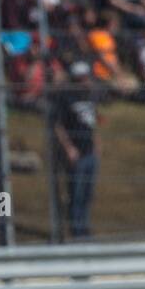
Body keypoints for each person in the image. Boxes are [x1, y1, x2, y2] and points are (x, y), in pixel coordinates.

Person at [52, 62, 101, 240]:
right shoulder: (66, 98)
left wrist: (95, 143)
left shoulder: (89, 96)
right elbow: (58, 126)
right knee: (76, 192)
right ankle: (75, 229)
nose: (86, 81)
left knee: (88, 193)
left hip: (89, 151)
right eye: (82, 78)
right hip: (76, 151)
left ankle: (84, 227)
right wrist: (69, 148)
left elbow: (91, 123)